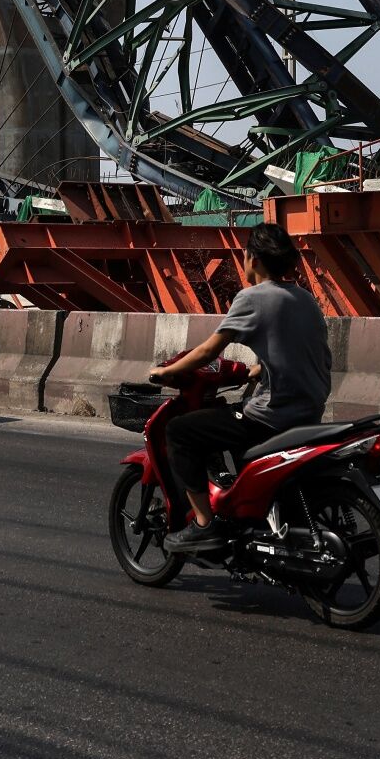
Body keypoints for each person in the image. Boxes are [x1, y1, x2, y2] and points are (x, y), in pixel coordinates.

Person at [147, 223, 331, 554]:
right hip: (310, 410)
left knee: (179, 431)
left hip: (272, 416)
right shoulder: (305, 299)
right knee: (224, 421)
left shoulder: (252, 298)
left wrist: (165, 371)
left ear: (254, 259)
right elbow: (306, 352)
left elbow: (207, 351)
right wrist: (261, 370)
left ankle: (204, 524)